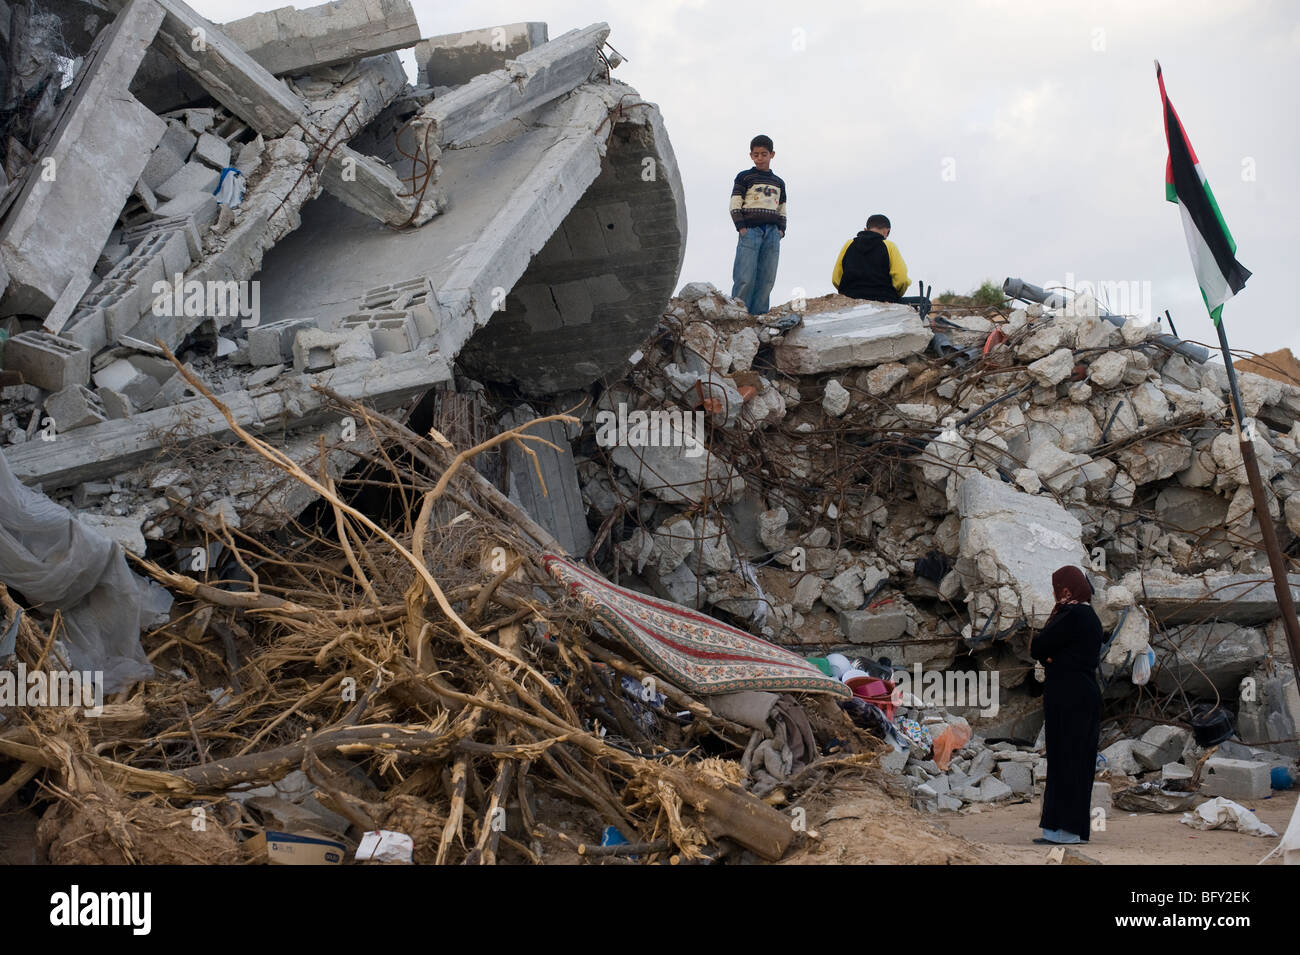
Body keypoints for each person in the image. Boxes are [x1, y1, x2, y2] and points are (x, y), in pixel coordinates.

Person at [1029, 565, 1103, 845]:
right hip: (1082, 695)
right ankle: (1074, 830)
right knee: (1078, 762)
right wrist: (1053, 657)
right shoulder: (1088, 615)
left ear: (1065, 590)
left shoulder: (1072, 615)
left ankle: (1063, 832)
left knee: (1065, 760)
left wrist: (1052, 658)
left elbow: (1039, 647)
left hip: (1069, 697)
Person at [729, 135, 787, 316]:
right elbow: (735, 204)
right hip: (751, 230)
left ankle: (759, 316)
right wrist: (741, 228)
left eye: (764, 154)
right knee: (745, 276)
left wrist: (781, 230)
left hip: (772, 233)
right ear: (751, 155)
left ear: (772, 154)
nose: (760, 158)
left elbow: (782, 208)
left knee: (767, 277)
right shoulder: (744, 177)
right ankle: (738, 315)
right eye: (756, 154)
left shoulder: (778, 182)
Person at [831, 214, 931, 316]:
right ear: (887, 231)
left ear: (866, 229)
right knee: (925, 302)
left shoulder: (848, 244)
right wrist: (893, 296)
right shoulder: (889, 246)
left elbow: (836, 279)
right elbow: (901, 280)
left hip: (851, 299)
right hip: (883, 300)